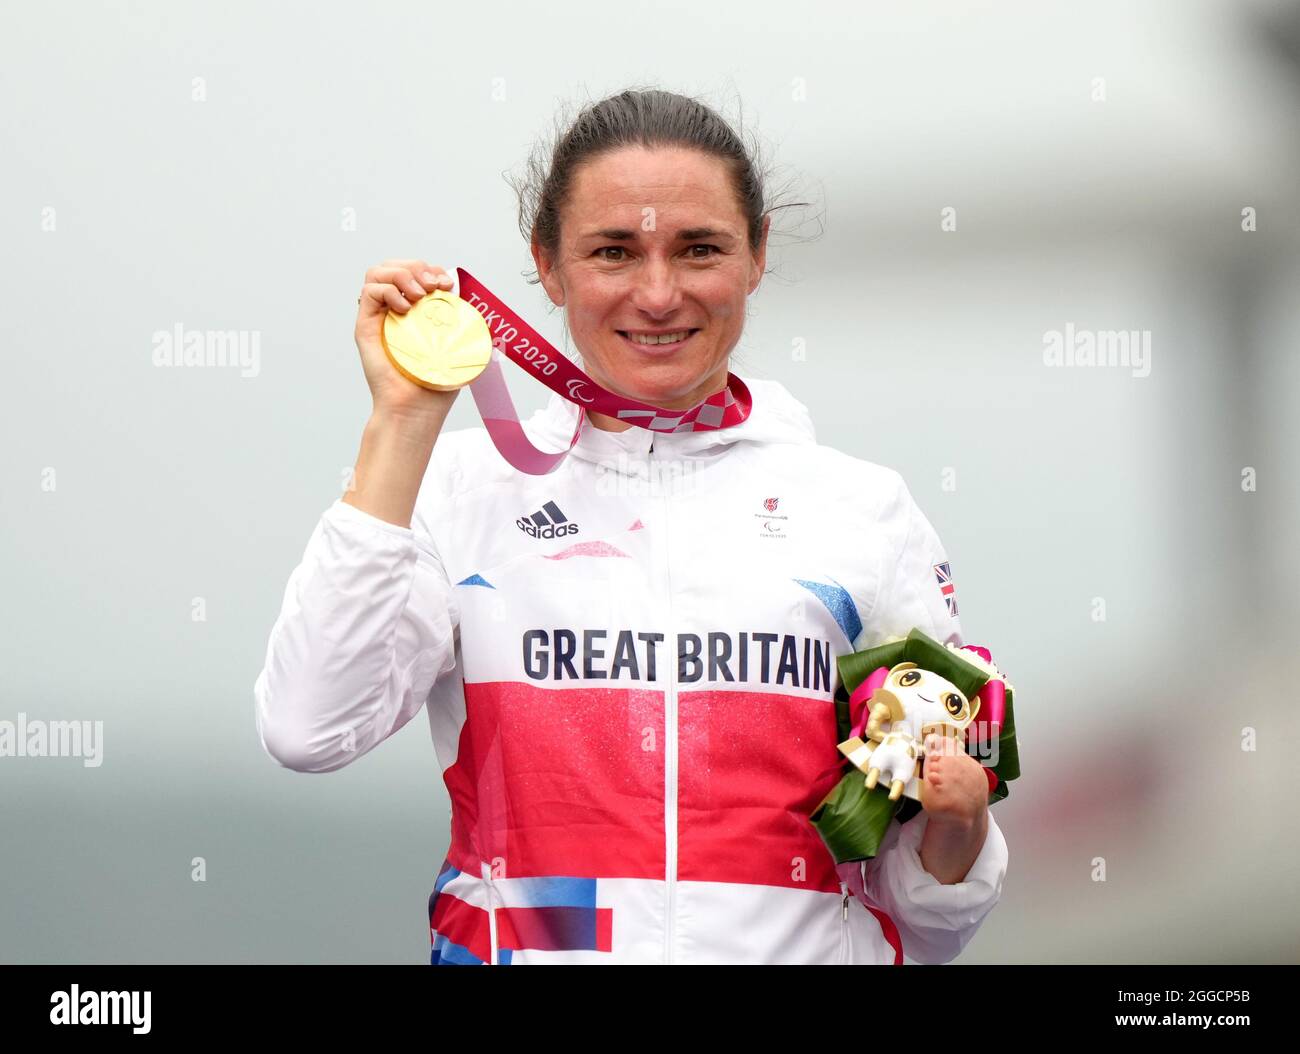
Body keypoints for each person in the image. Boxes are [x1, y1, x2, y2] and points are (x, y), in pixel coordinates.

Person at [253, 88, 1008, 965]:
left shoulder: (863, 511)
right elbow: (307, 730)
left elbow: (928, 915)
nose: (658, 294)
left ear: (758, 254)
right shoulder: (454, 492)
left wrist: (958, 835)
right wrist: (404, 422)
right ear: (548, 264)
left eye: (700, 250)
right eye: (614, 252)